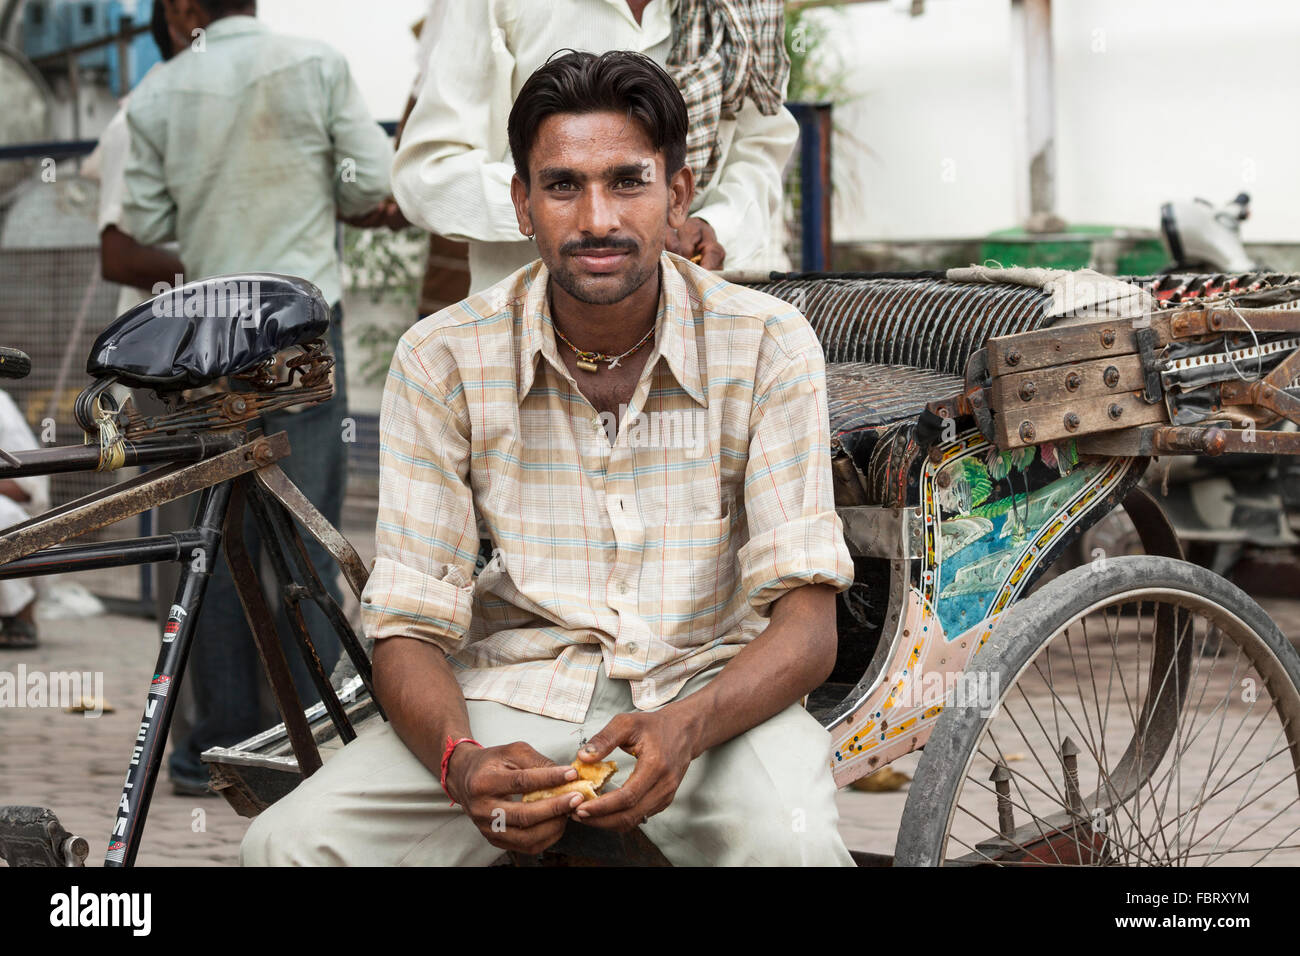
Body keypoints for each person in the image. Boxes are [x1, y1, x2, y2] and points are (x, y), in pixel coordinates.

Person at [242, 50, 855, 866]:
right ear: (522, 205)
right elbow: (407, 629)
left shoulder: (767, 344)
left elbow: (809, 629)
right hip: (510, 695)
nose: (597, 217)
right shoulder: (442, 359)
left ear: (678, 194)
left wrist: (686, 726)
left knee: (793, 848)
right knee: (288, 846)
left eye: (628, 181)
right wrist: (462, 765)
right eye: (563, 186)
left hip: (712, 700)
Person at [120, 0, 396, 795]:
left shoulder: (161, 92)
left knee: (214, 539)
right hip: (296, 342)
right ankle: (310, 748)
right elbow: (368, 185)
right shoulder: (317, 64)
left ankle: (209, 753)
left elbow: (141, 218)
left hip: (199, 344)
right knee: (304, 539)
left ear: (180, 8)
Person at [392, 0, 798, 294]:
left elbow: (760, 148)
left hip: (700, 319)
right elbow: (428, 173)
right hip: (524, 338)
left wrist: (716, 226)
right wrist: (560, 207)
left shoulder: (746, 10)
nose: (602, 221)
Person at [0, 390, 49, 649]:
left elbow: (30, 487)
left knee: (1, 514)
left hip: (12, 515)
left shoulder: (0, 404)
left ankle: (20, 614)